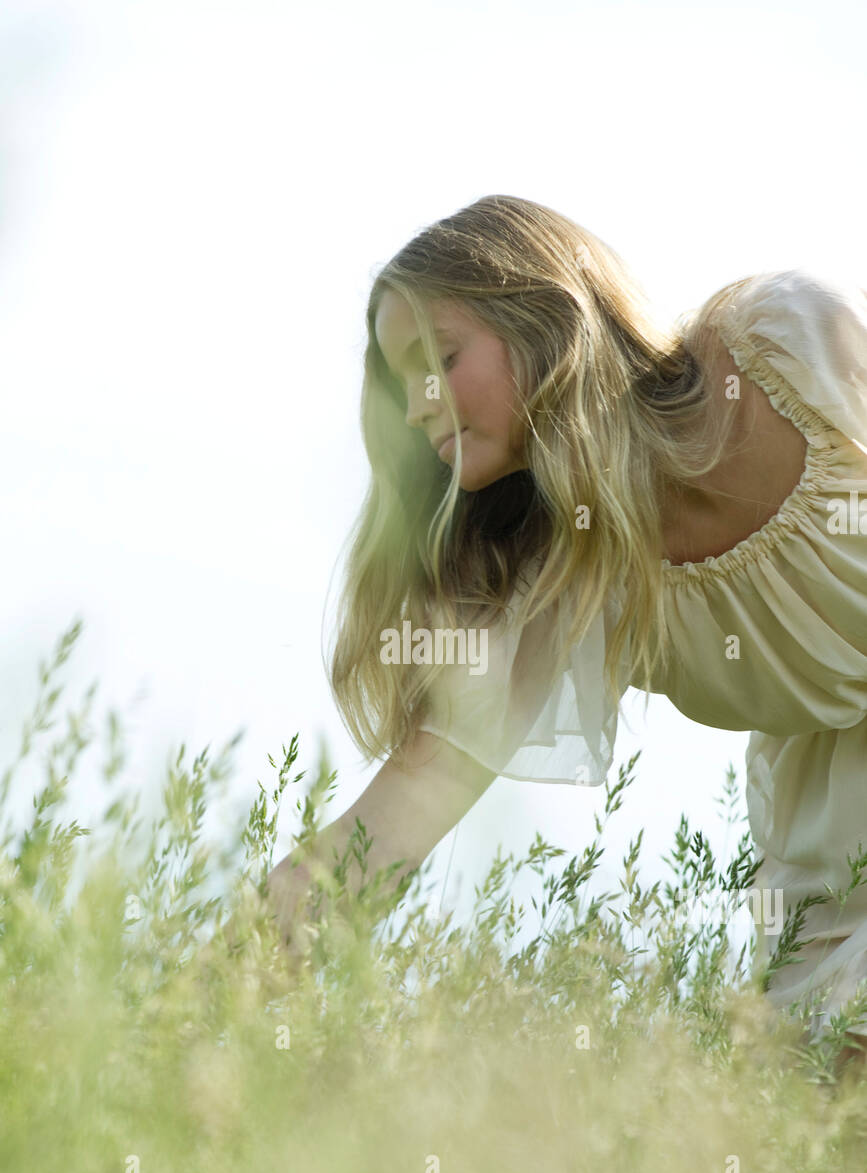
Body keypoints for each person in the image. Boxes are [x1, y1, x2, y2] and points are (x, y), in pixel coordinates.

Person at [266, 194, 867, 1064]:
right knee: (821, 1119)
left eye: (439, 357)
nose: (415, 407)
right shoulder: (557, 591)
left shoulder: (781, 348)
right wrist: (189, 999)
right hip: (838, 829)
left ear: (541, 315)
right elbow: (395, 819)